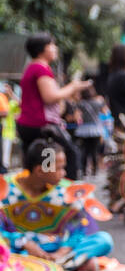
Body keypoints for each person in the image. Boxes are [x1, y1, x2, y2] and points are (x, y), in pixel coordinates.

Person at [1, 139, 114, 271]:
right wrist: (23, 242)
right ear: (39, 170)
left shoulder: (65, 192)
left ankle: (57, 263)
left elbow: (76, 231)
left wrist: (61, 253)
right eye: (59, 168)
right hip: (21, 250)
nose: (64, 173)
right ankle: (68, 264)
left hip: (54, 249)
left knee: (104, 240)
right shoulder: (5, 189)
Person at [16, 33, 90, 181]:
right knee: (59, 160)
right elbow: (50, 97)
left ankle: (39, 196)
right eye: (52, 45)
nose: (55, 48)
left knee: (40, 165)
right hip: (42, 127)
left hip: (31, 125)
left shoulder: (32, 68)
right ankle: (61, 195)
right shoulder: (40, 69)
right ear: (42, 49)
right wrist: (73, 87)